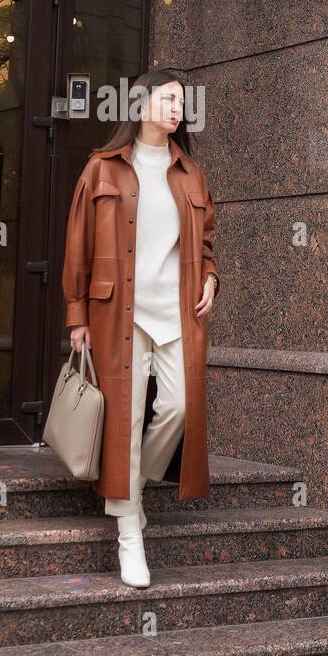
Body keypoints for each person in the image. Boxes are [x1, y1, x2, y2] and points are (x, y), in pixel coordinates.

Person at [61, 69, 220, 588]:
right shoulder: (102, 169)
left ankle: (132, 480)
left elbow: (206, 244)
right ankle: (129, 531)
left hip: (177, 313)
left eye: (182, 102)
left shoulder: (191, 173)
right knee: (125, 417)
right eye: (168, 99)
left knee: (177, 406)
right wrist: (77, 316)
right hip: (116, 316)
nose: (177, 109)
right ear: (140, 103)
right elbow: (79, 246)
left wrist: (213, 277)